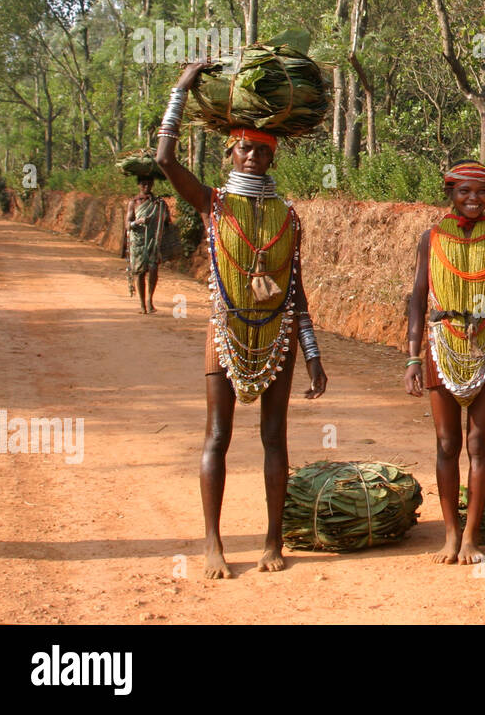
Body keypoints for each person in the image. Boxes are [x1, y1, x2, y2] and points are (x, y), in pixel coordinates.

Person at [155, 60, 328, 579]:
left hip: (278, 334)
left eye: (262, 150)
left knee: (275, 438)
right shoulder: (213, 203)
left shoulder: (288, 216)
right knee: (217, 437)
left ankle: (273, 542)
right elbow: (165, 158)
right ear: (229, 150)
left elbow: (296, 289)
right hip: (225, 331)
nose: (253, 156)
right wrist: (180, 91)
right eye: (244, 148)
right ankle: (213, 543)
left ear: (274, 156)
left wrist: (314, 355)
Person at [404, 160, 485, 565]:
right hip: (442, 343)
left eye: (482, 191)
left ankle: (471, 535)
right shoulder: (431, 238)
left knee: (477, 443)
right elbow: (418, 298)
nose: (474, 199)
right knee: (447, 443)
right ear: (450, 193)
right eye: (464, 192)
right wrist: (411, 358)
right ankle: (450, 533)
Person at [124, 175, 170, 314]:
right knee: (140, 272)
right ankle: (142, 304)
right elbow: (127, 224)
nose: (147, 187)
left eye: (149, 184)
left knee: (153, 269)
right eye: (144, 184)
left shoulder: (159, 203)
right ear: (139, 185)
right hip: (138, 242)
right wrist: (138, 222)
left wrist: (161, 215)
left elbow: (166, 219)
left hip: (153, 241)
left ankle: (150, 300)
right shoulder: (134, 202)